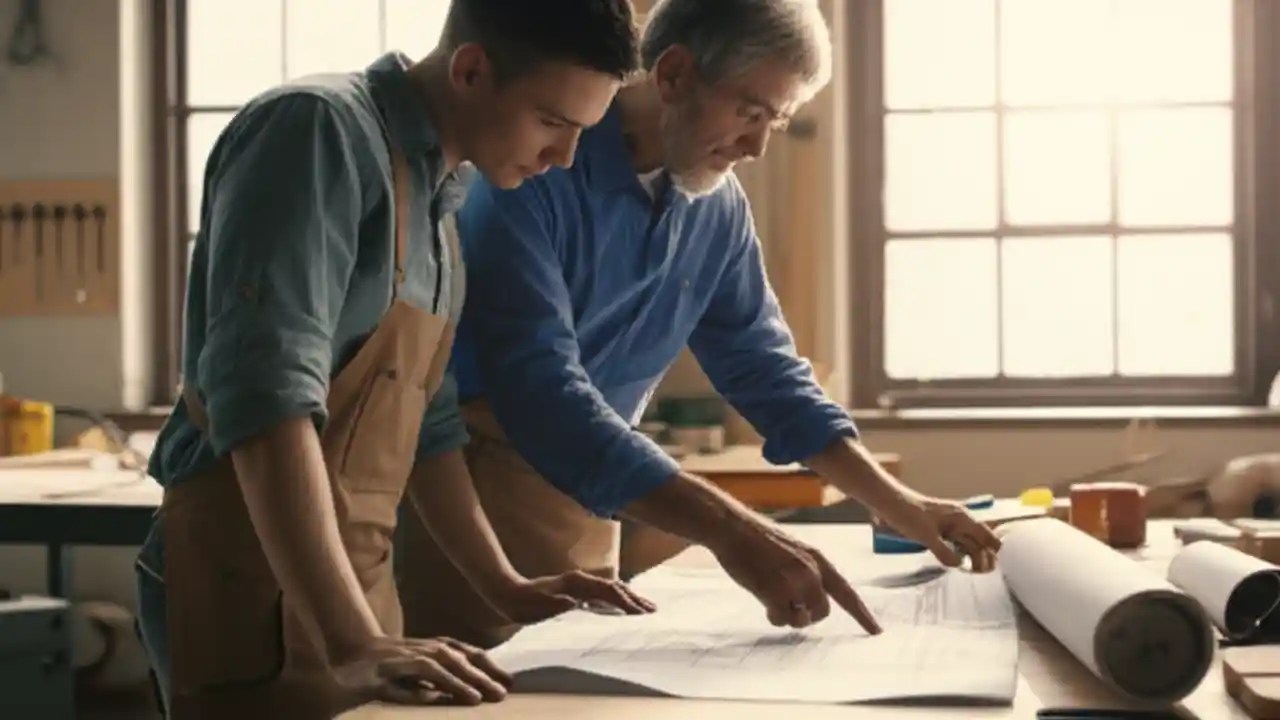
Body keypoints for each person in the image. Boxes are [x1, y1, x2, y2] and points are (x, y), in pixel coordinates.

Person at [396, 0, 1004, 650]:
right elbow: (542, 393)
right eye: (749, 110)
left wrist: (899, 505)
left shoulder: (717, 209)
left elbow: (766, 372)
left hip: (598, 490)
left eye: (779, 120)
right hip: (474, 493)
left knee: (581, 681)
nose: (758, 146)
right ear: (675, 74)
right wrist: (736, 532)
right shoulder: (529, 170)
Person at [133, 1, 651, 716]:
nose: (563, 158)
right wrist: (350, 639)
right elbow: (267, 399)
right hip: (246, 584)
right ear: (471, 69)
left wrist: (502, 585)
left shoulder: (442, 199)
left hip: (356, 597)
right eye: (554, 123)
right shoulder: (316, 133)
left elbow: (429, 428)